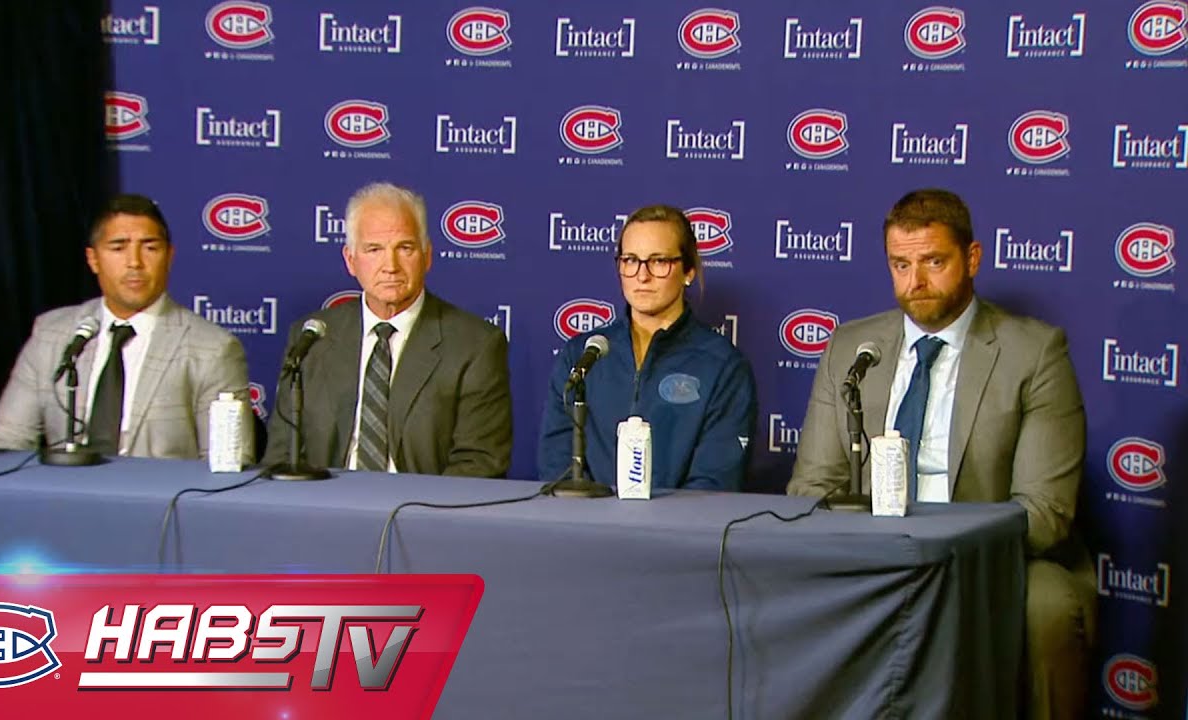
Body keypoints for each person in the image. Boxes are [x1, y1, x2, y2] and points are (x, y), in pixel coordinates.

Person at [787, 189, 1095, 719]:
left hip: (988, 554)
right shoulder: (850, 347)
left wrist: (938, 543)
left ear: (971, 259)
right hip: (869, 547)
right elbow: (812, 485)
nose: (916, 282)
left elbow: (1044, 516)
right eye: (900, 264)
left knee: (1047, 606)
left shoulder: (1034, 351)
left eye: (934, 262)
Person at [261, 182, 512, 477]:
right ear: (351, 260)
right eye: (374, 249)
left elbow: (479, 466)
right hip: (323, 510)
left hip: (420, 514)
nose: (390, 265)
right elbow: (281, 454)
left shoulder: (474, 345)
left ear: (427, 256)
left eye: (404, 248)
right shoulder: (312, 338)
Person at [0, 193, 251, 460]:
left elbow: (228, 465)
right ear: (93, 259)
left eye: (150, 247)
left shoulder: (212, 348)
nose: (135, 263)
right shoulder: (53, 333)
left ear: (169, 257)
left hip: (159, 502)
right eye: (118, 247)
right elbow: (5, 440)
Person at [537, 204, 757, 490]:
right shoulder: (582, 355)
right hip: (585, 529)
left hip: (681, 532)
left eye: (658, 261)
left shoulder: (723, 367)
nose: (642, 276)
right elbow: (558, 468)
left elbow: (714, 483)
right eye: (630, 260)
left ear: (688, 270)